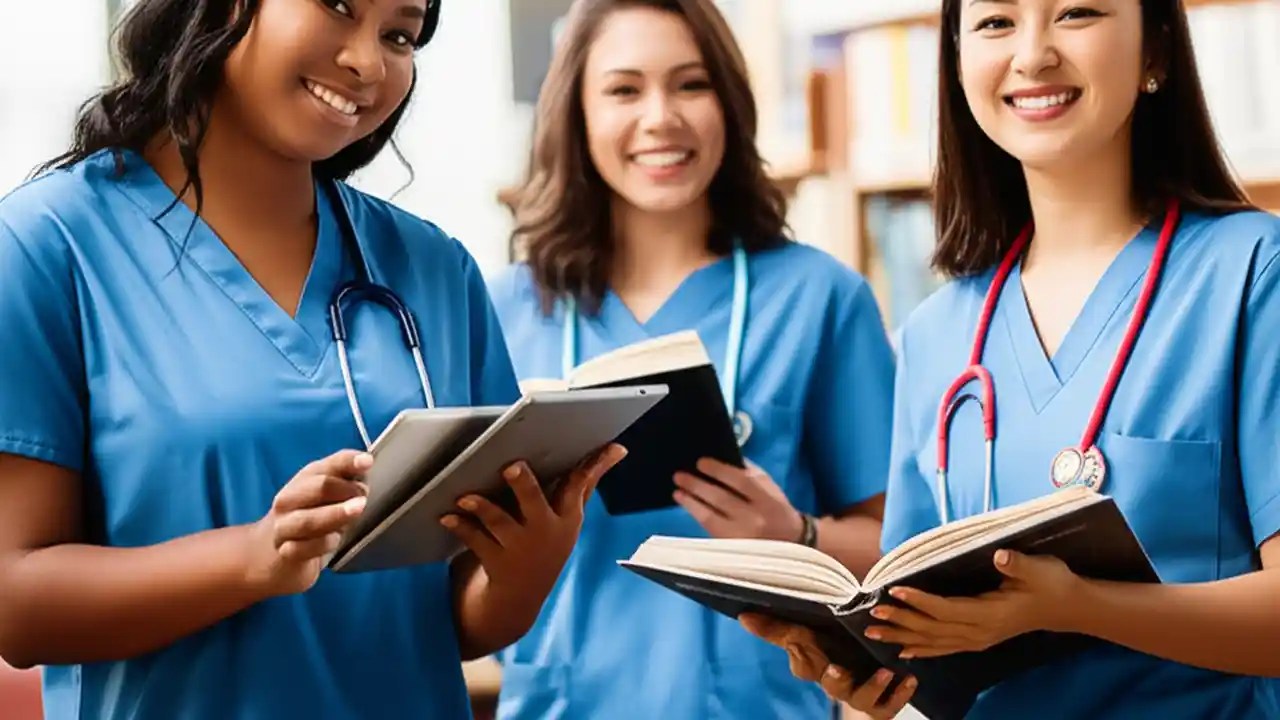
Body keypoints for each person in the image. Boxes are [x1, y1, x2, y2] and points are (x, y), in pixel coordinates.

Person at [0, 1, 626, 719]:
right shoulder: (45, 246)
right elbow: (17, 605)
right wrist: (254, 560)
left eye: (399, 35)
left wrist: (524, 568)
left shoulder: (433, 269)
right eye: (337, 7)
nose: (368, 62)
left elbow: (441, 620)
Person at [742, 0, 1280, 717]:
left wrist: (1080, 606)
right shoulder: (936, 334)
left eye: (1077, 13)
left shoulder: (1250, 272)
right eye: (996, 23)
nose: (1032, 54)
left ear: (1155, 52)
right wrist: (872, 675)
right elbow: (920, 632)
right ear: (959, 63)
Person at [484, 0, 897, 717]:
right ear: (575, 114)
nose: (660, 117)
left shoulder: (819, 298)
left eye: (690, 84)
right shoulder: (502, 309)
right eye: (623, 89)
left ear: (730, 104)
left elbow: (897, 554)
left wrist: (798, 536)